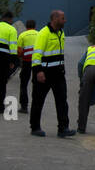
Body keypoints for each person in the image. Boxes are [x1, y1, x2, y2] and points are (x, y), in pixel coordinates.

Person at [29, 9, 74, 138]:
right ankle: (35, 127)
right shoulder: (44, 33)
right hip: (44, 73)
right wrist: (38, 71)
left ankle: (63, 128)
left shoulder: (61, 32)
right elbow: (36, 54)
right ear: (54, 19)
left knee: (62, 101)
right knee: (38, 101)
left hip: (58, 74)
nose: (65, 21)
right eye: (62, 18)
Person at [16, 18, 38, 113]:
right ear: (35, 26)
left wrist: (21, 56)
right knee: (37, 84)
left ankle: (24, 106)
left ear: (26, 27)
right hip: (37, 63)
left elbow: (19, 51)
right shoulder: (39, 34)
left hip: (26, 62)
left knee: (24, 84)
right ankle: (36, 106)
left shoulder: (22, 35)